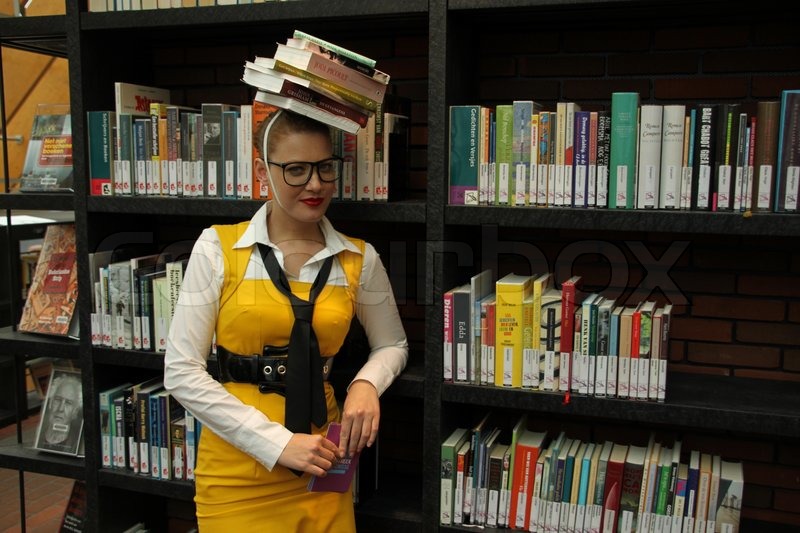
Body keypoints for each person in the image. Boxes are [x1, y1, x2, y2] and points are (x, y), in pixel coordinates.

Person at [163, 105, 408, 532]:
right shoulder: (218, 247)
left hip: (324, 466)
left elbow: (393, 344)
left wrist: (367, 384)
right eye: (296, 169)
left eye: (325, 168)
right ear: (263, 170)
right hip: (237, 474)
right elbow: (182, 372)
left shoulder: (359, 258)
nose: (315, 184)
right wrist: (277, 444)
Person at [37, 371, 83, 454]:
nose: (60, 409)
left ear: (75, 411)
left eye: (68, 403)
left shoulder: (78, 442)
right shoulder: (38, 436)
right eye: (58, 400)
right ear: (50, 403)